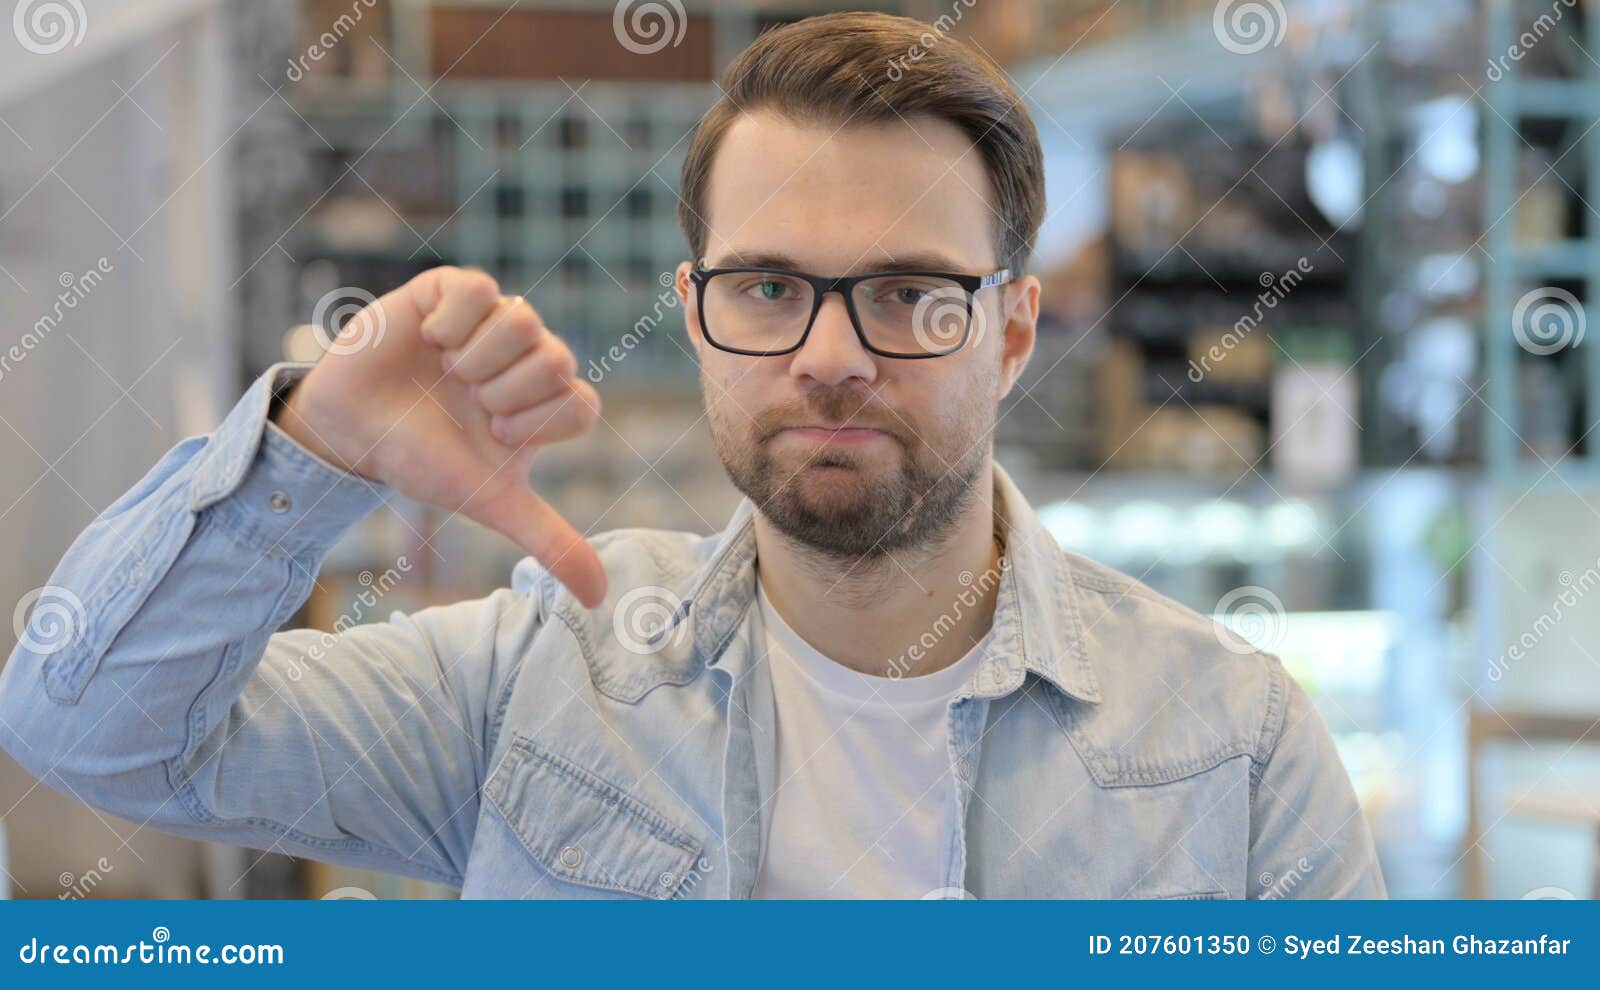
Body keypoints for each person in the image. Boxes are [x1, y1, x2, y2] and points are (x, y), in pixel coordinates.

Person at [0, 11, 1384, 899]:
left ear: (1012, 331)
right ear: (698, 313)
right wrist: (310, 450)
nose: (831, 355)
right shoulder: (535, 682)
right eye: (771, 288)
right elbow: (86, 726)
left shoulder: (1233, 751)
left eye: (910, 293)